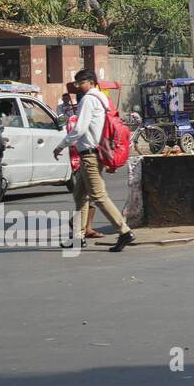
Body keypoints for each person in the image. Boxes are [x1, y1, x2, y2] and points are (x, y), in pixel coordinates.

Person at [53, 69, 136, 251]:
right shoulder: (101, 98)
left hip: (90, 154)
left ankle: (124, 231)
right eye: (77, 84)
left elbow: (79, 128)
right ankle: (78, 236)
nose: (78, 87)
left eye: (80, 83)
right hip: (93, 153)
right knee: (80, 195)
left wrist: (61, 145)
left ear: (90, 82)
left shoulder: (89, 99)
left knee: (98, 196)